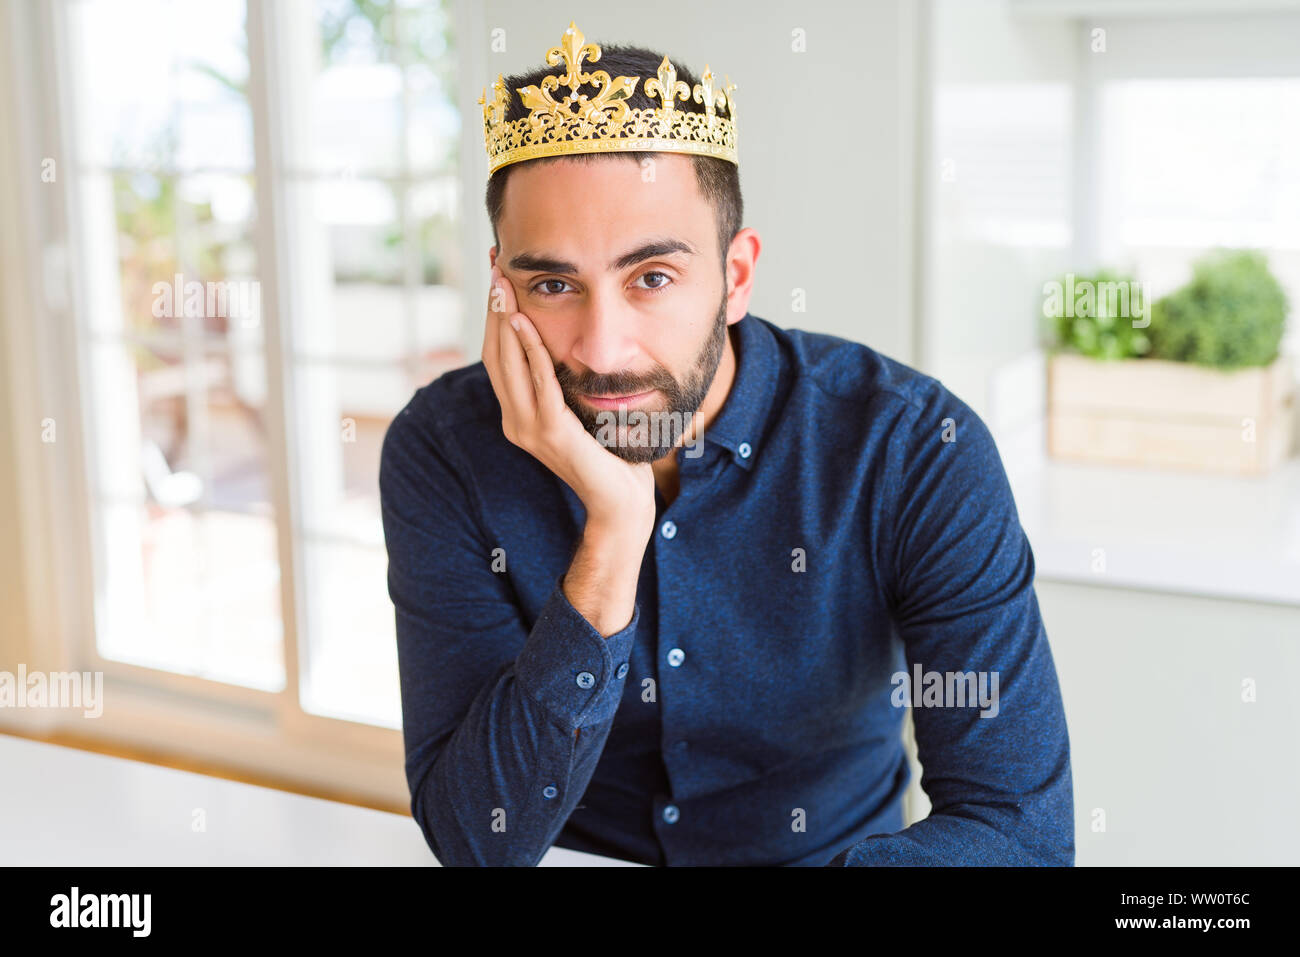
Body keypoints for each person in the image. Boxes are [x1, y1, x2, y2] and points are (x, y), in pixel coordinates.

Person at [379, 21, 1073, 866]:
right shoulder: (443, 449)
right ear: (501, 288)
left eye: (653, 278)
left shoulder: (916, 448)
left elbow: (1021, 836)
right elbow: (473, 836)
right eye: (553, 284)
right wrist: (611, 539)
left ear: (736, 276)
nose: (602, 348)